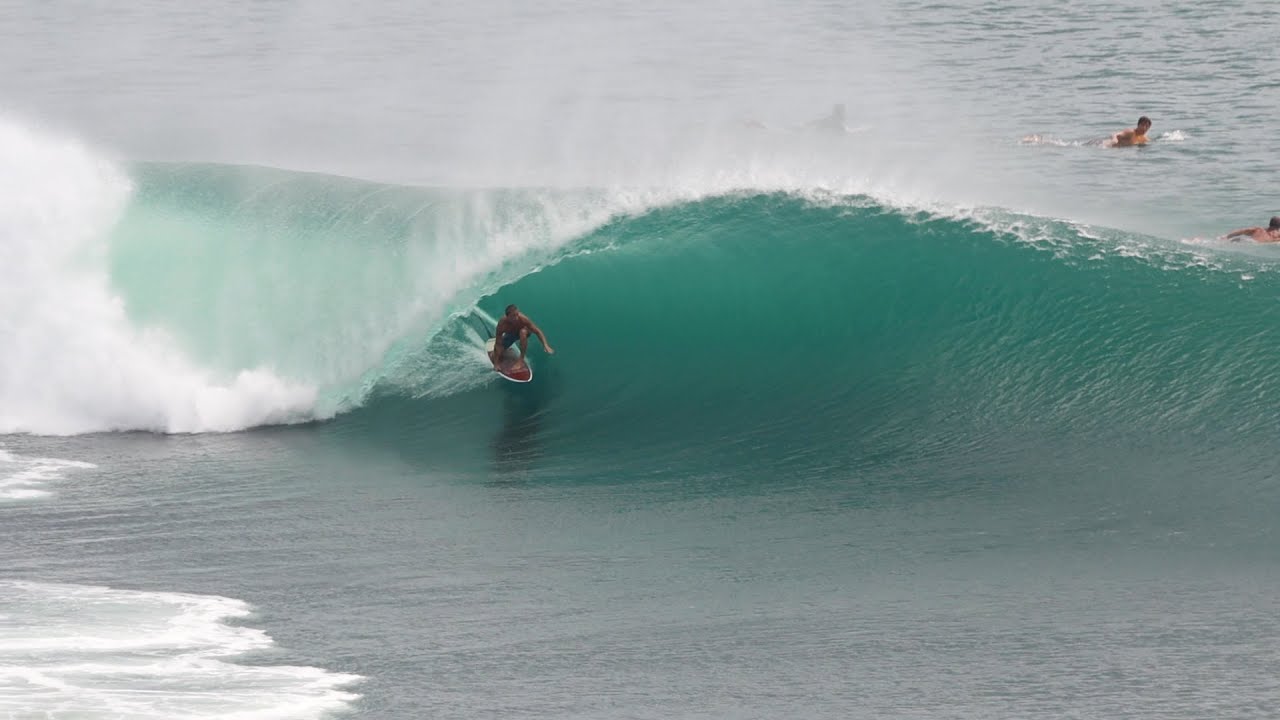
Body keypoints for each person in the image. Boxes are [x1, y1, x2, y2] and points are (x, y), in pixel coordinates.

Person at [491, 304, 554, 371]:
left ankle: (520, 360)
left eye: (517, 314)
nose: (516, 317)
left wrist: (545, 345)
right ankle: (506, 349)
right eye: (513, 316)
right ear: (507, 316)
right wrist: (496, 364)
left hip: (525, 331)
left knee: (522, 332)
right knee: (495, 355)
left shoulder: (523, 319)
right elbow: (498, 342)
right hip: (511, 334)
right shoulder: (502, 324)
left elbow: (537, 331)